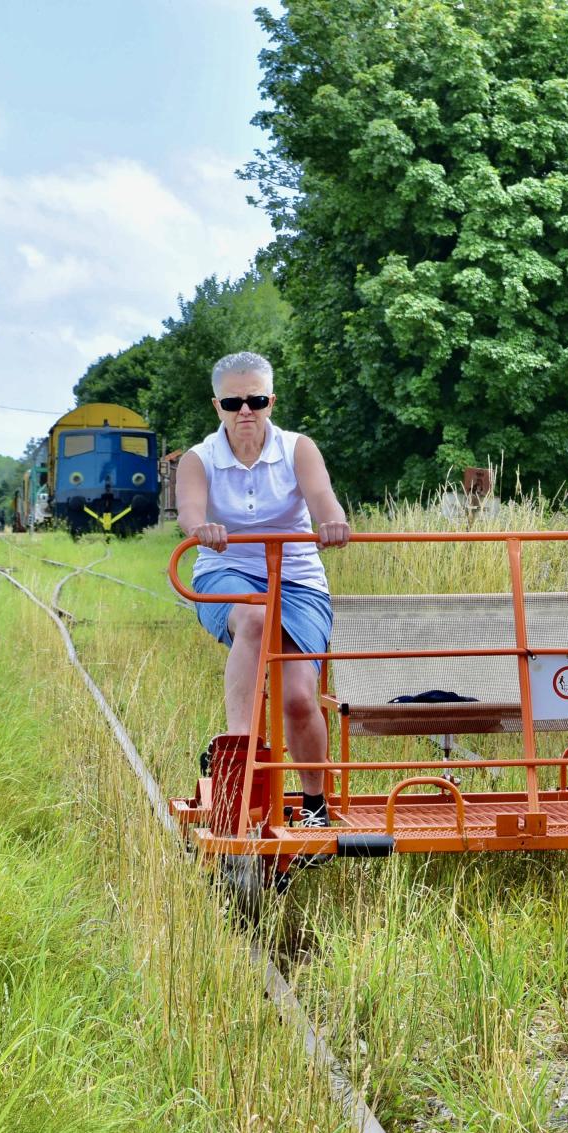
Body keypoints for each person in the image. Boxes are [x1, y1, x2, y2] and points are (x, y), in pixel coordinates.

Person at [176, 351, 350, 829]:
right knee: (253, 616)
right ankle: (242, 758)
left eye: (255, 400)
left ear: (271, 402)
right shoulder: (198, 459)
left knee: (298, 696)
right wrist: (201, 528)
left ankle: (314, 805)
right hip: (227, 571)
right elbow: (189, 511)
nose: (245, 411)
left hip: (296, 579)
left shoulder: (297, 449)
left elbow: (323, 499)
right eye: (233, 403)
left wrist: (332, 522)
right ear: (218, 406)